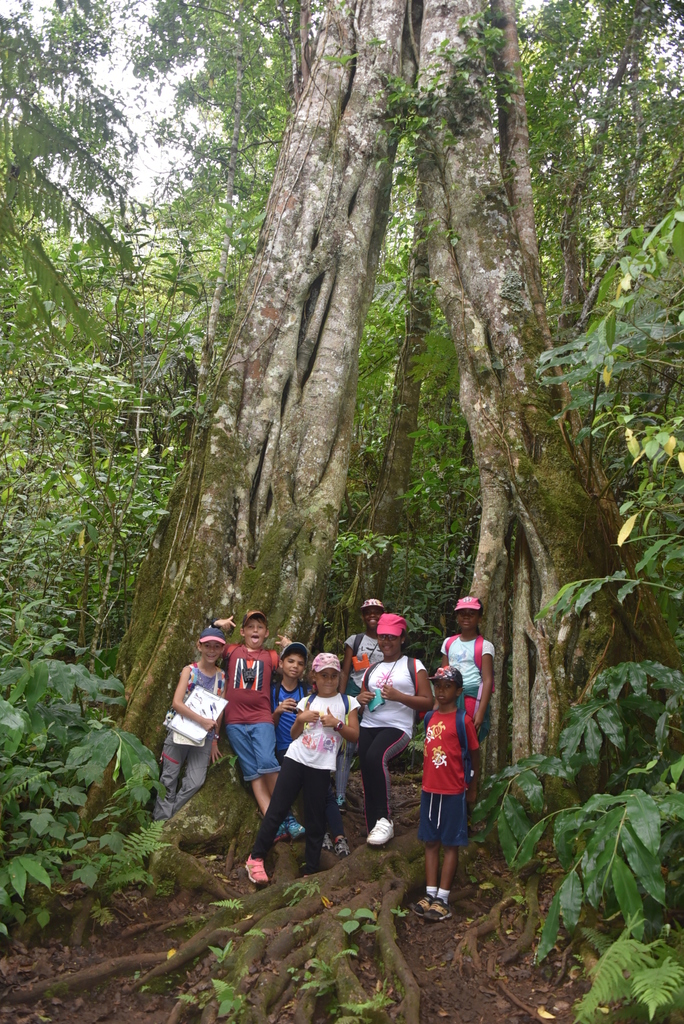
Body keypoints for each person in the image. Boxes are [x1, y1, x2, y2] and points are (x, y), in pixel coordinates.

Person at [245, 653, 360, 885]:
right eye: (324, 675)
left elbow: (355, 736)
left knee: (315, 817)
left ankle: (311, 868)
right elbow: (293, 735)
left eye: (333, 676)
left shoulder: (348, 702)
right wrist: (301, 718)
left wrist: (337, 724)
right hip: (296, 759)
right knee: (278, 808)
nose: (328, 680)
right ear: (314, 676)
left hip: (321, 766)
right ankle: (256, 858)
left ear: (339, 677)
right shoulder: (306, 701)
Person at [357, 613, 433, 846]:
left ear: (402, 638)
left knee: (375, 757)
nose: (386, 641)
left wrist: (400, 696)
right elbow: (361, 698)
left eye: (391, 636)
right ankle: (373, 828)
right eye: (382, 637)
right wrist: (361, 698)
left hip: (397, 727)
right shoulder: (372, 669)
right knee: (366, 770)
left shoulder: (413, 665)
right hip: (368, 723)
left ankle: (385, 820)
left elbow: (428, 702)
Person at [412, 666, 479, 922]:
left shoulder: (463, 720)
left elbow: (474, 753)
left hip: (453, 791)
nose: (441, 691)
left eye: (447, 686)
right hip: (430, 789)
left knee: (450, 843)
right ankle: (429, 893)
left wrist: (471, 787)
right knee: (430, 841)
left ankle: (443, 897)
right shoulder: (429, 718)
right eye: (437, 686)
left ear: (458, 691)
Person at [273, 642, 351, 856]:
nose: (294, 667)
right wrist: (279, 711)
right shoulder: (275, 691)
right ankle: (321, 833)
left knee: (323, 792)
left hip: (318, 752)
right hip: (287, 750)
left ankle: (337, 835)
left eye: (300, 663)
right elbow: (272, 723)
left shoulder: (307, 692)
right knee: (306, 793)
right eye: (290, 661)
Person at [153, 627, 227, 821]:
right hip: (179, 733)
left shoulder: (222, 677)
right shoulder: (190, 671)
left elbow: (219, 711)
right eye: (207, 646)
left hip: (204, 738)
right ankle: (159, 825)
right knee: (169, 778)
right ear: (199, 646)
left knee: (195, 782)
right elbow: (176, 703)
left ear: (222, 650)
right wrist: (201, 720)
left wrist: (215, 740)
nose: (211, 650)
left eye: (216, 647)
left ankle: (171, 819)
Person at [212, 610, 281, 815]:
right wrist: (216, 624)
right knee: (251, 770)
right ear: (242, 631)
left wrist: (288, 646)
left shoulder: (272, 656)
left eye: (259, 627)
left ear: (267, 633)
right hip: (234, 721)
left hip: (262, 718)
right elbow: (210, 645)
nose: (255, 630)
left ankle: (284, 813)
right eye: (250, 627)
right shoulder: (231, 650)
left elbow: (297, 669)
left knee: (268, 761)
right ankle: (271, 818)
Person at [336, 598, 385, 808]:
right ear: (363, 616)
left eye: (376, 612)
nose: (371, 616)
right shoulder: (355, 640)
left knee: (372, 748)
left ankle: (372, 798)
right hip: (354, 693)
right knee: (346, 747)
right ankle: (339, 794)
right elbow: (345, 671)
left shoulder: (388, 640)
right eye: (367, 612)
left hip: (378, 698)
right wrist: (341, 700)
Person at [441, 596, 494, 741]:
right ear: (457, 616)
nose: (466, 617)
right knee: (447, 740)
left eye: (471, 613)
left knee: (467, 742)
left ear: (480, 618)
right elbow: (443, 673)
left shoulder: (485, 646)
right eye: (462, 613)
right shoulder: (449, 643)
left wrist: (481, 711)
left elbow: (488, 680)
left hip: (471, 699)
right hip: (449, 698)